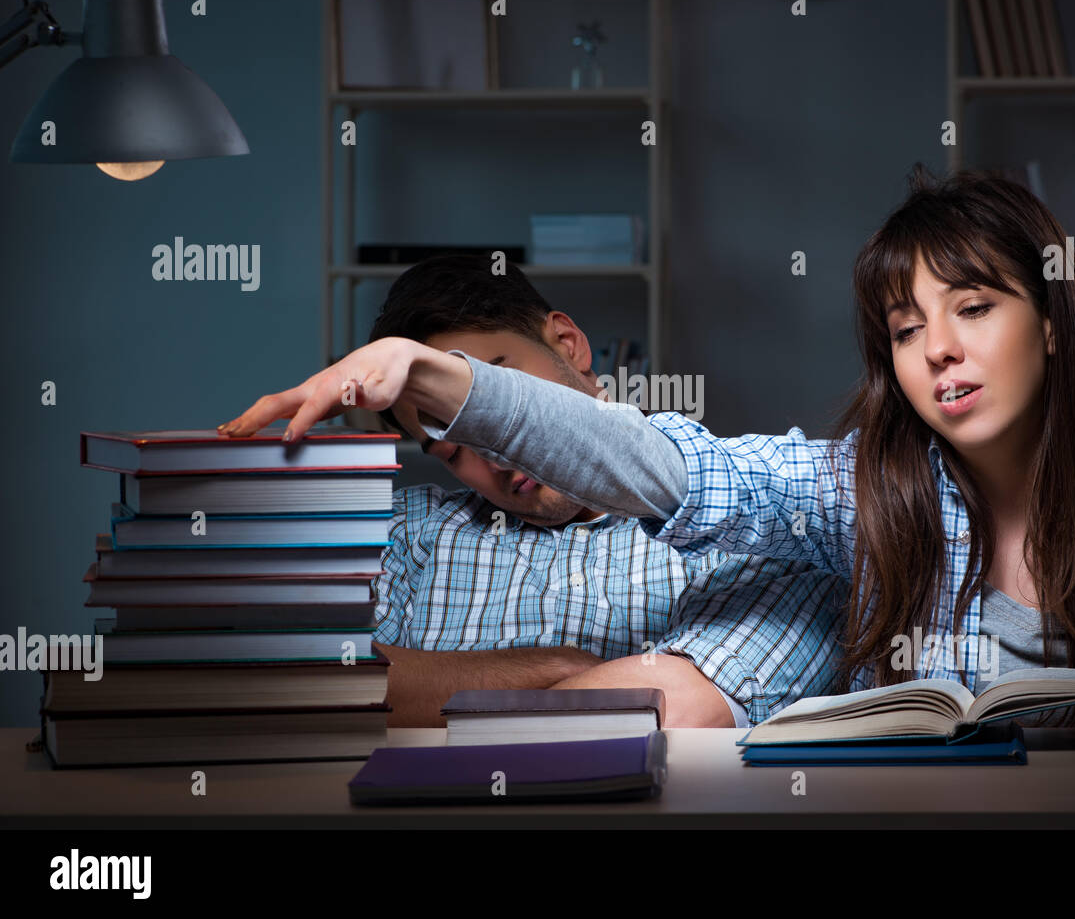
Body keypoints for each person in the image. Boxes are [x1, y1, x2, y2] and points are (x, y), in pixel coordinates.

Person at [219, 170, 1075, 725]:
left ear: (1049, 321)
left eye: (972, 308)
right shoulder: (862, 493)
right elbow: (675, 467)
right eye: (907, 330)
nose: (941, 352)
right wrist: (431, 378)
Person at [223, 255, 846, 728]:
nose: (490, 452)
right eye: (453, 448)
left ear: (567, 344)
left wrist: (423, 688)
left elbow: (667, 715)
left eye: (489, 392)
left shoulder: (749, 519)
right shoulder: (405, 533)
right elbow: (294, 686)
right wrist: (540, 672)